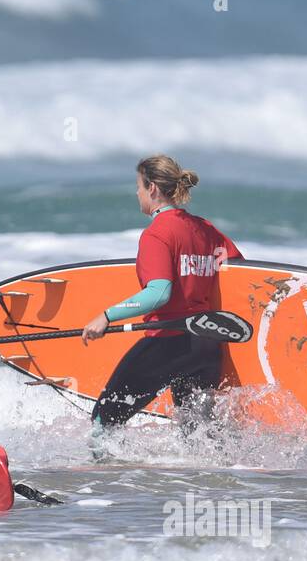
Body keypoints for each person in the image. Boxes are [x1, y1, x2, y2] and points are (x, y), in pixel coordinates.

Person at [82, 155, 242, 429]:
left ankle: (105, 474)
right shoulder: (205, 229)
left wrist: (107, 316)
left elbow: (158, 293)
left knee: (103, 421)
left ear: (152, 188)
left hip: (168, 342)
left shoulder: (157, 234)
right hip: (206, 345)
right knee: (198, 437)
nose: (137, 193)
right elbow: (240, 273)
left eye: (139, 187)